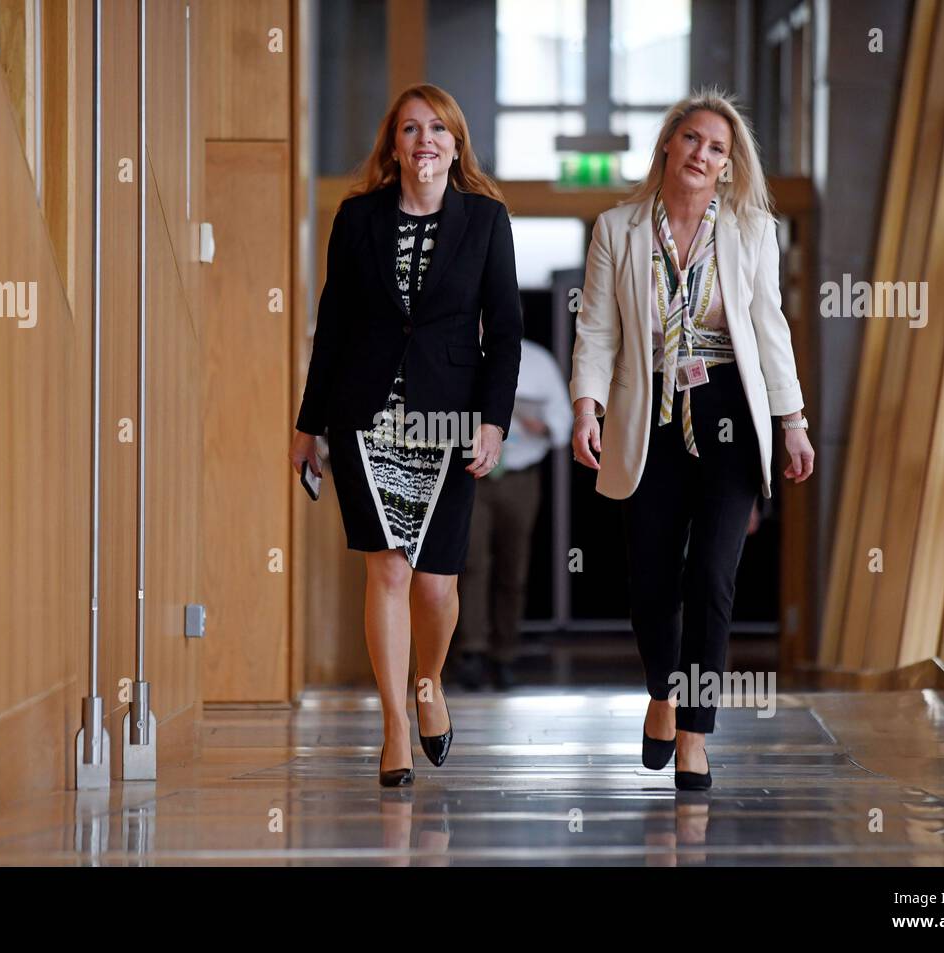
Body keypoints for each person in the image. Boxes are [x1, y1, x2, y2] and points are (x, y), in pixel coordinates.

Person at [569, 88, 815, 791]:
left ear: (729, 167)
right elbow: (596, 330)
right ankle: (661, 690)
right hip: (649, 408)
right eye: (693, 141)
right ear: (668, 147)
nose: (703, 155)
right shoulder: (617, 229)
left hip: (729, 407)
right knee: (650, 578)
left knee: (712, 573)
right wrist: (586, 407)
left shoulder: (752, 231)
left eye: (718, 149)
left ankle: (695, 731)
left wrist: (792, 422)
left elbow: (771, 332)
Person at [289, 84, 522, 787]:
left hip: (448, 419)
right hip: (365, 419)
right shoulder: (357, 218)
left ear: (456, 144)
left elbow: (505, 329)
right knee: (387, 569)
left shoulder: (484, 220)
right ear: (394, 145)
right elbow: (332, 329)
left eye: (438, 129)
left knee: (436, 585)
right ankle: (393, 724)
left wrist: (493, 420)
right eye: (411, 129)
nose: (425, 140)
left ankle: (430, 681)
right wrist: (307, 427)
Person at [454, 338, 572, 690]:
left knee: (513, 568)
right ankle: (470, 652)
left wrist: (545, 426)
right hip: (472, 473)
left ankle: (504, 655)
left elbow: (563, 421)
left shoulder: (538, 361)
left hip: (519, 477)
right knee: (471, 564)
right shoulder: (460, 352)